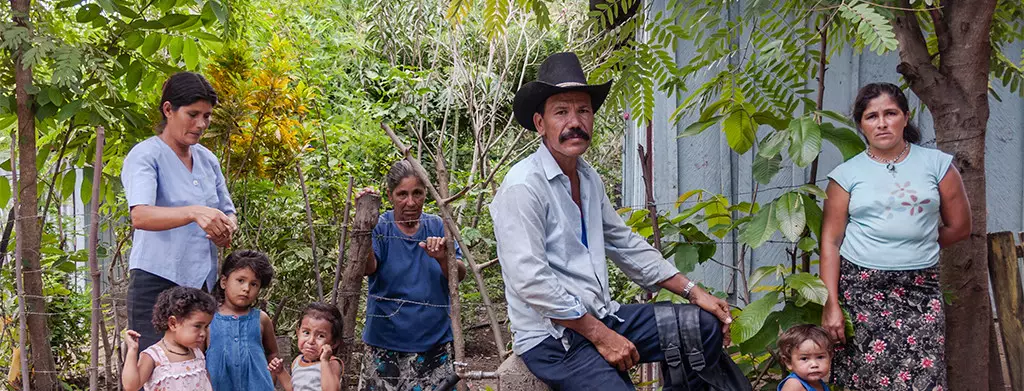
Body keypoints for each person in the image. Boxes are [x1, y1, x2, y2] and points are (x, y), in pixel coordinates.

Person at [489, 52, 734, 391]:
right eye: (561, 112)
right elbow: (531, 281)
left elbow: (625, 243)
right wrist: (603, 337)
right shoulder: (523, 186)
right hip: (554, 340)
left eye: (583, 110)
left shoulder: (588, 179)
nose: (574, 121)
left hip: (603, 315)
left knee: (701, 326)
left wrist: (694, 291)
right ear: (540, 123)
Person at [820, 82, 971, 390]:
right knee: (867, 378)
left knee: (925, 377)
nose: (882, 123)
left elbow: (959, 227)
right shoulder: (846, 175)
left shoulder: (938, 165)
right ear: (861, 124)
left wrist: (916, 243)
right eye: (871, 116)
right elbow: (830, 243)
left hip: (920, 290)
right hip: (862, 293)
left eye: (890, 113)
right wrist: (831, 304)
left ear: (906, 115)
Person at [122, 71, 238, 353]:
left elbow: (228, 211)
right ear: (168, 110)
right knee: (153, 368)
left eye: (207, 116)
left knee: (195, 367)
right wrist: (194, 213)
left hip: (201, 284)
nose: (201, 124)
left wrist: (226, 229)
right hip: (156, 281)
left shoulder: (207, 159)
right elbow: (141, 216)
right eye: (193, 114)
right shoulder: (146, 155)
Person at [354, 160, 466, 391]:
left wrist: (443, 257)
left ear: (426, 193)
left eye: (418, 193)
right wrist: (364, 225)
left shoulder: (438, 225)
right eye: (402, 194)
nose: (411, 202)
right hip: (385, 344)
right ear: (390, 195)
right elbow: (367, 268)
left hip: (434, 343)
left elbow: (460, 273)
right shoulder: (381, 227)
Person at [206, 249, 279, 390]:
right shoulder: (209, 318)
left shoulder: (261, 319)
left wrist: (271, 379)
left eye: (254, 284)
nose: (246, 288)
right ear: (223, 282)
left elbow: (272, 352)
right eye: (240, 280)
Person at [121, 286, 217, 391]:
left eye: (206, 327)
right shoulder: (154, 356)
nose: (203, 333)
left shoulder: (197, 353)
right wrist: (132, 350)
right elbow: (131, 386)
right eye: (197, 326)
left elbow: (206, 383)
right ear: (173, 323)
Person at [269, 302, 345, 391]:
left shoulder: (332, 363)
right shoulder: (297, 361)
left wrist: (324, 361)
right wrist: (281, 372)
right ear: (298, 333)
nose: (311, 341)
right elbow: (293, 388)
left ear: (334, 342)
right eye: (306, 333)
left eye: (321, 336)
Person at [777, 324, 832, 391]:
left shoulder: (818, 383)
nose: (814, 364)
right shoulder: (794, 385)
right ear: (789, 362)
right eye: (804, 358)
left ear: (830, 357)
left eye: (820, 357)